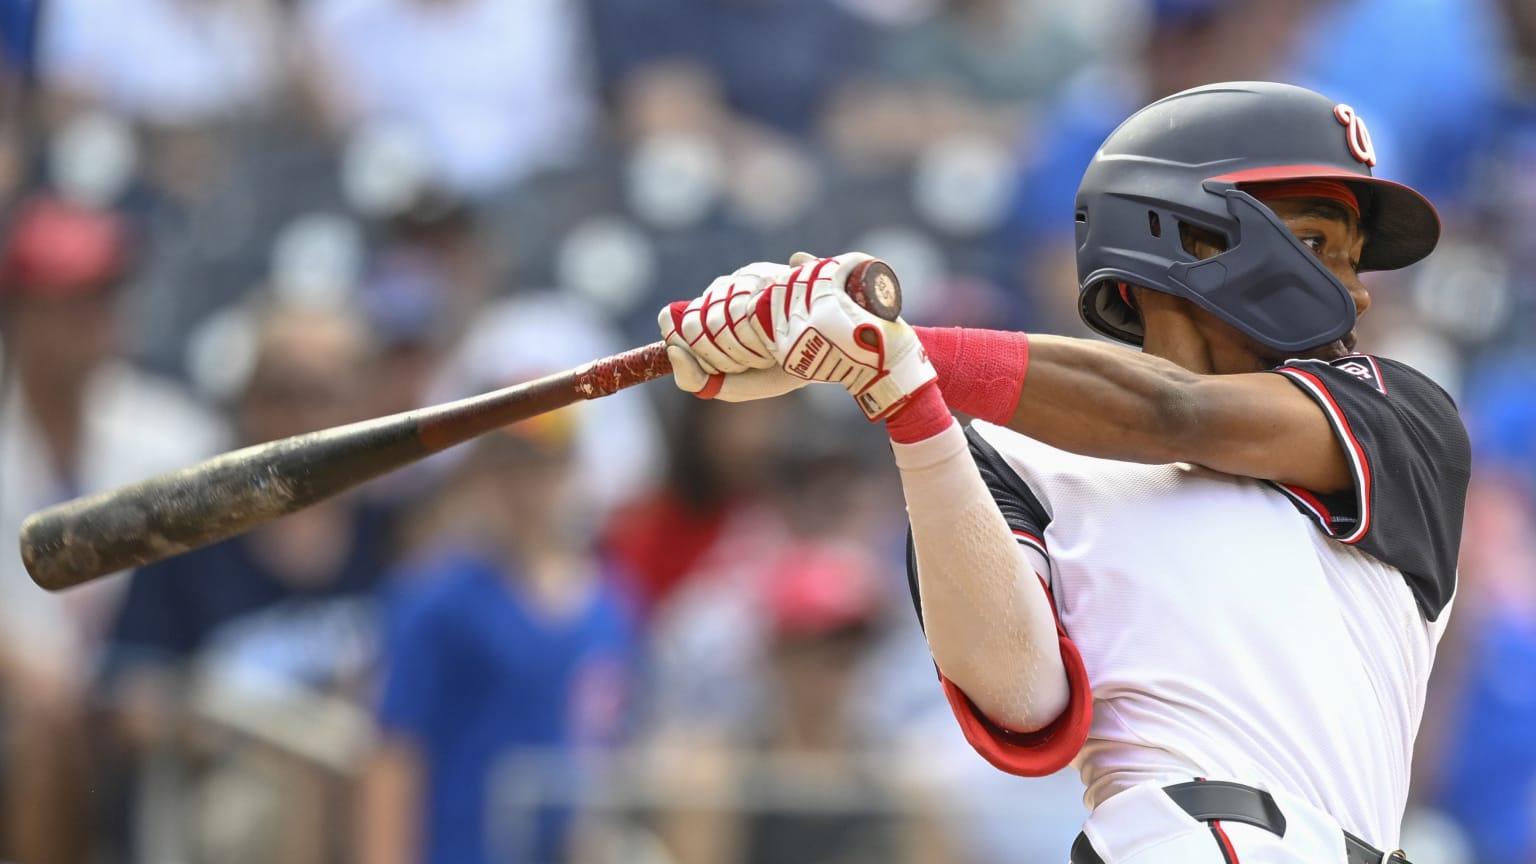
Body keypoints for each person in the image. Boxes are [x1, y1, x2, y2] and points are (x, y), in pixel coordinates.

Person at [655, 81, 1469, 863]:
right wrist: (901, 397)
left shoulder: (1399, 412)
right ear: (1192, 235)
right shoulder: (1009, 457)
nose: (1358, 296)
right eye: (1322, 243)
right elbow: (1022, 701)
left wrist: (896, 347)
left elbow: (1174, 413)